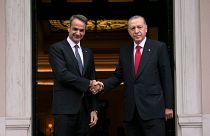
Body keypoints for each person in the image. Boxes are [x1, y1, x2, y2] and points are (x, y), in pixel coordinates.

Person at [91, 15, 174, 136]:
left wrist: (169, 106)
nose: (136, 31)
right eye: (133, 28)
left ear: (146, 28)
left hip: (153, 110)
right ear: (129, 32)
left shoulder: (158, 47)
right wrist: (102, 85)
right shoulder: (125, 51)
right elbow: (118, 76)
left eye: (139, 27)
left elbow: (166, 77)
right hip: (131, 112)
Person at [48, 14, 99, 136]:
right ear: (68, 28)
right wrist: (88, 83)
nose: (78, 33)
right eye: (75, 29)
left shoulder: (88, 52)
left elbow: (92, 78)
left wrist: (93, 109)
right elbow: (62, 74)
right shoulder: (57, 48)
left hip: (85, 110)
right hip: (64, 109)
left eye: (82, 30)